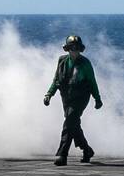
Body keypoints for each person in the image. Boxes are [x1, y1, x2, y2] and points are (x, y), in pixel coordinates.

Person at [43, 34, 103, 166]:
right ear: (67, 49)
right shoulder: (62, 61)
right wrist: (49, 94)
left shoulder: (85, 63)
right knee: (73, 125)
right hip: (66, 97)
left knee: (69, 122)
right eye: (71, 48)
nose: (74, 51)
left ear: (80, 49)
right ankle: (87, 150)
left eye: (76, 48)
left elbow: (92, 82)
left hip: (81, 97)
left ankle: (62, 155)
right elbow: (57, 80)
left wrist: (97, 99)